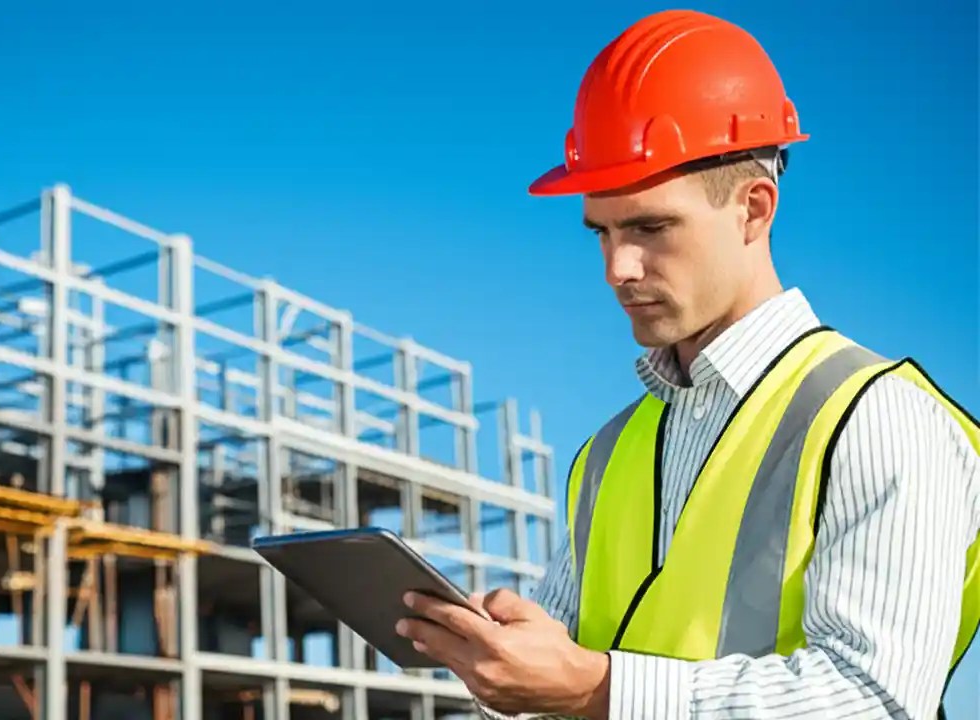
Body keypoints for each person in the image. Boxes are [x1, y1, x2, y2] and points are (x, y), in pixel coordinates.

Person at [393, 9, 980, 720]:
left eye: (649, 227)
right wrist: (508, 672)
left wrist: (597, 687)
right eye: (602, 233)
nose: (618, 268)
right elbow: (564, 681)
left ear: (754, 210)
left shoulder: (878, 418)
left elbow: (875, 699)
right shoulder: (608, 454)